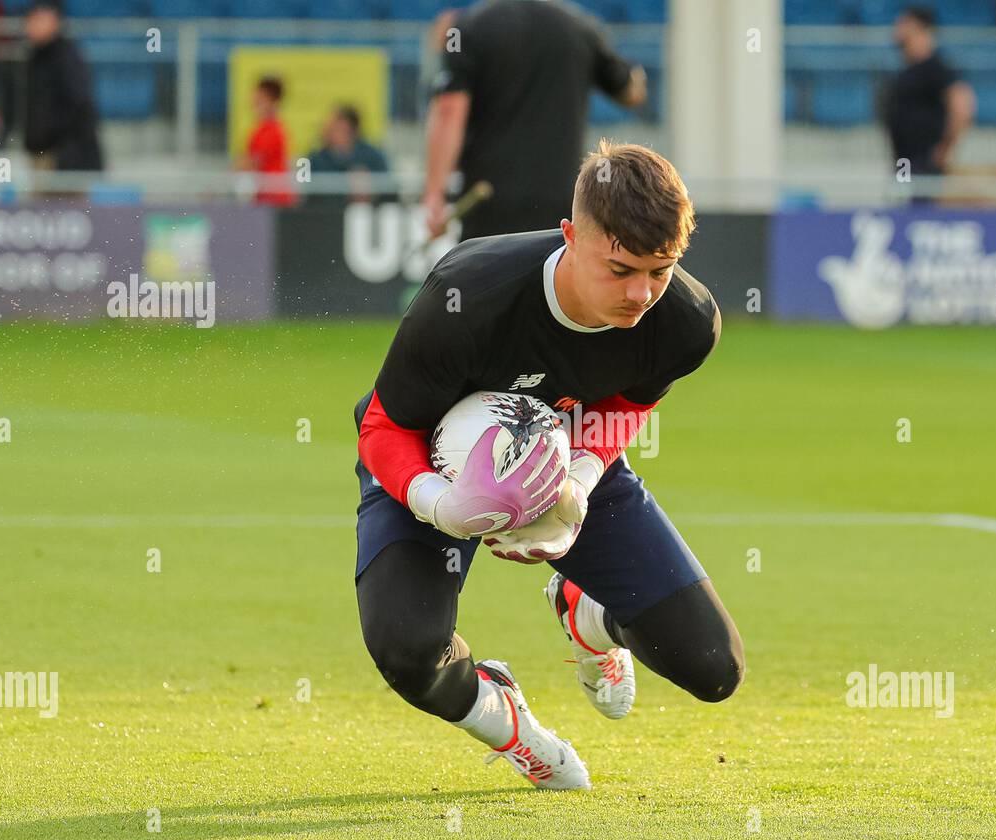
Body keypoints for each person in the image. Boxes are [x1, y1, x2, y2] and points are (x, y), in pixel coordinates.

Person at [353, 142, 744, 790]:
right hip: (430, 459)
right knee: (407, 650)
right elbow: (385, 426)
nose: (641, 293)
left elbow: (628, 402)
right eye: (620, 269)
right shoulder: (467, 296)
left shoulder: (686, 322)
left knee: (713, 665)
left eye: (661, 269)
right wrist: (440, 505)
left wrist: (581, 485)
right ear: (569, 236)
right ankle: (509, 724)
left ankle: (587, 612)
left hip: (569, 447)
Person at [423, 0, 647, 241]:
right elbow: (631, 91)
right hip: (562, 201)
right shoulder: (581, 27)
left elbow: (449, 109)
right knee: (549, 275)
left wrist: (435, 194)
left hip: (487, 198)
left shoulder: (468, 27)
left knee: (491, 277)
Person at [882, 5, 975, 183]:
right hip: (904, 160)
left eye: (902, 23)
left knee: (922, 209)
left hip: (925, 162)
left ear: (917, 27)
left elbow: (963, 107)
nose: (897, 29)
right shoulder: (907, 70)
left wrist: (943, 150)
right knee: (903, 207)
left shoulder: (936, 67)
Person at [23, 0, 103, 174]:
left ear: (54, 20)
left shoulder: (66, 56)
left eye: (38, 18)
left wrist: (54, 143)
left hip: (66, 158)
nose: (30, 24)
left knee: (64, 200)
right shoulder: (36, 56)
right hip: (45, 153)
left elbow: (79, 103)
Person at [306, 105, 389, 204]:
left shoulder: (373, 157)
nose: (328, 131)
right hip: (326, 215)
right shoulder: (314, 159)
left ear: (352, 131)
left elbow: (388, 191)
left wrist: (370, 191)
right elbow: (302, 193)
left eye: (337, 128)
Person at [236, 76, 295, 207]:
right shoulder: (261, 129)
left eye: (260, 98)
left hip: (274, 198)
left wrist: (218, 183)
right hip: (265, 196)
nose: (253, 101)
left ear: (271, 101)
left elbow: (251, 162)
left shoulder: (272, 131)